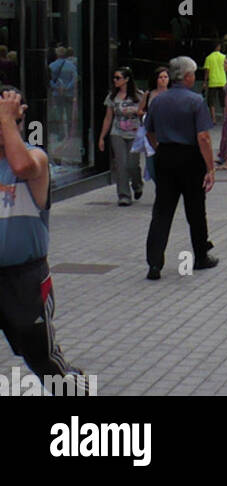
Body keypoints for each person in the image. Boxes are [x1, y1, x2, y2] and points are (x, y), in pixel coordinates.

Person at [0, 87, 91, 392]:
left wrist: (6, 120)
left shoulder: (35, 157)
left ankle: (72, 390)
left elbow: (21, 166)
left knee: (40, 355)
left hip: (24, 277)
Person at [144, 57, 218, 280]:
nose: (194, 77)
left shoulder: (158, 101)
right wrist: (210, 168)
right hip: (190, 157)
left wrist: (159, 147)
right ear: (187, 77)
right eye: (193, 74)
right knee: (195, 209)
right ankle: (201, 255)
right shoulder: (196, 101)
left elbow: (149, 130)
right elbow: (203, 137)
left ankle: (154, 263)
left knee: (162, 210)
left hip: (165, 155)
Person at [98, 65, 144, 206]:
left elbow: (144, 114)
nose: (115, 80)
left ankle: (137, 185)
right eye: (114, 78)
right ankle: (124, 195)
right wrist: (102, 137)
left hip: (135, 134)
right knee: (121, 164)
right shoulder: (112, 97)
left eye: (118, 78)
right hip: (117, 133)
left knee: (132, 164)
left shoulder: (139, 95)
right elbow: (108, 118)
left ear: (126, 80)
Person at [137, 66, 171, 184]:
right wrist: (148, 114)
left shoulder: (172, 94)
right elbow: (140, 111)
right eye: (160, 77)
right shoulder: (149, 94)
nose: (163, 80)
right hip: (151, 132)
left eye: (165, 77)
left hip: (167, 133)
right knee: (151, 164)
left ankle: (165, 188)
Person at [203, 42, 227, 122]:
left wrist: (205, 82)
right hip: (222, 81)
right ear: (218, 47)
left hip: (213, 81)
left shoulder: (208, 58)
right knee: (223, 101)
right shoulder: (224, 57)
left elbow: (207, 71)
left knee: (211, 101)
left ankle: (213, 119)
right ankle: (224, 118)